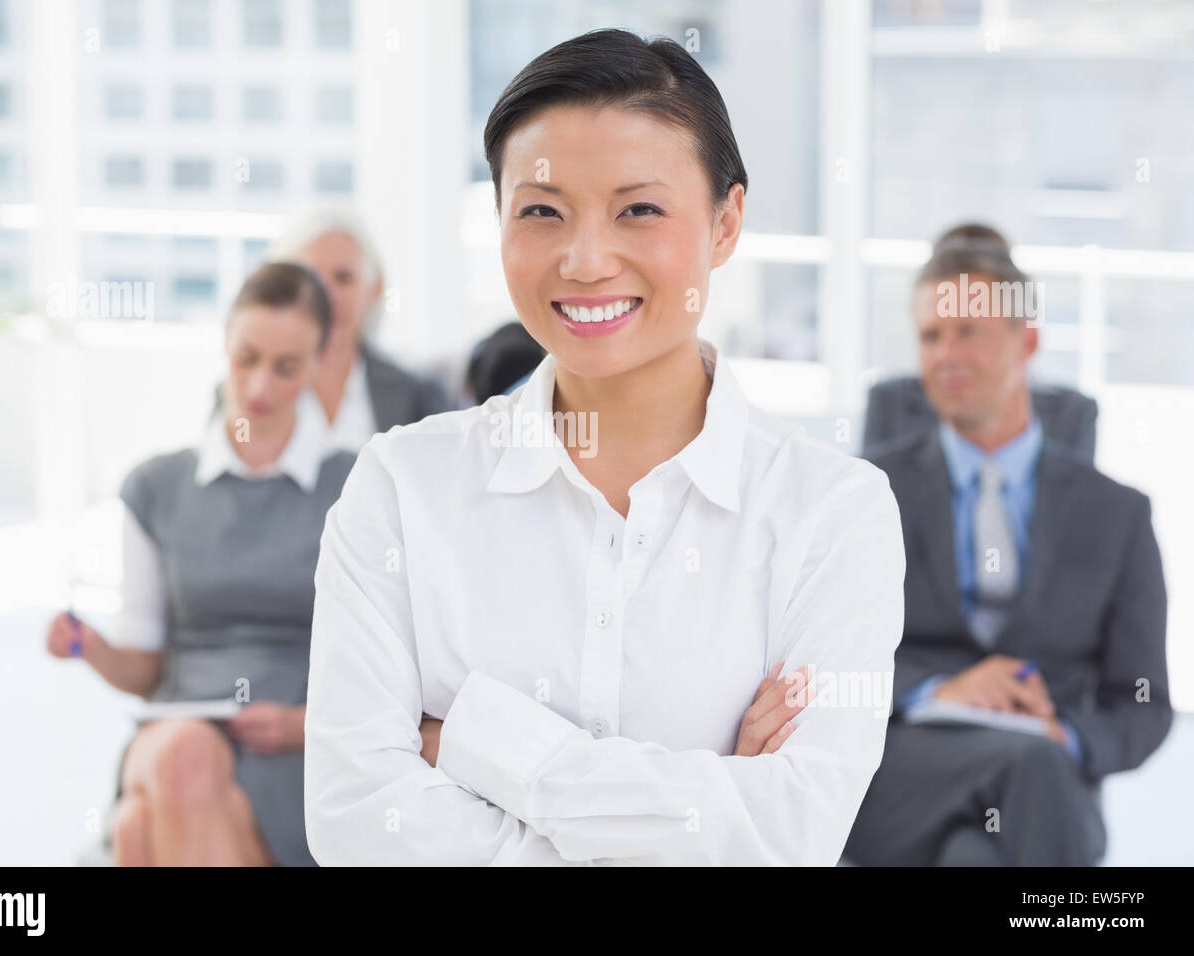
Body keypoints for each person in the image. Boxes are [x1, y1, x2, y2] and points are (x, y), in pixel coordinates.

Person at [303, 28, 905, 865]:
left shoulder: (835, 514)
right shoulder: (401, 490)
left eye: (640, 210)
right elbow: (359, 824)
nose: (585, 260)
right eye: (543, 212)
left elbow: (793, 831)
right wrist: (697, 806)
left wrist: (480, 743)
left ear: (726, 223)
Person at [843, 224, 1172, 866]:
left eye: (969, 331)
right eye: (931, 336)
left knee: (975, 856)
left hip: (1038, 785)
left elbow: (1144, 700)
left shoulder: (1118, 514)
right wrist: (940, 690)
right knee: (1029, 767)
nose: (946, 355)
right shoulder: (867, 491)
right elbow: (826, 664)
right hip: (905, 772)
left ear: (1029, 341)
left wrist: (1067, 735)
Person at [46, 262, 355, 866]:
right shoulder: (157, 487)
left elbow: (393, 666)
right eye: (247, 359)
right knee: (182, 756)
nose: (260, 387)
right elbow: (144, 668)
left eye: (286, 367)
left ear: (321, 362)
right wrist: (86, 645)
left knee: (138, 828)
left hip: (299, 743)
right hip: (176, 730)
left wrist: (302, 724)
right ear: (223, 345)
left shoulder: (357, 483)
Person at [233, 206, 454, 447]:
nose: (327, 295)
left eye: (344, 278)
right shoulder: (244, 392)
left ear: (375, 288)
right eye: (312, 277)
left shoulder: (418, 394)